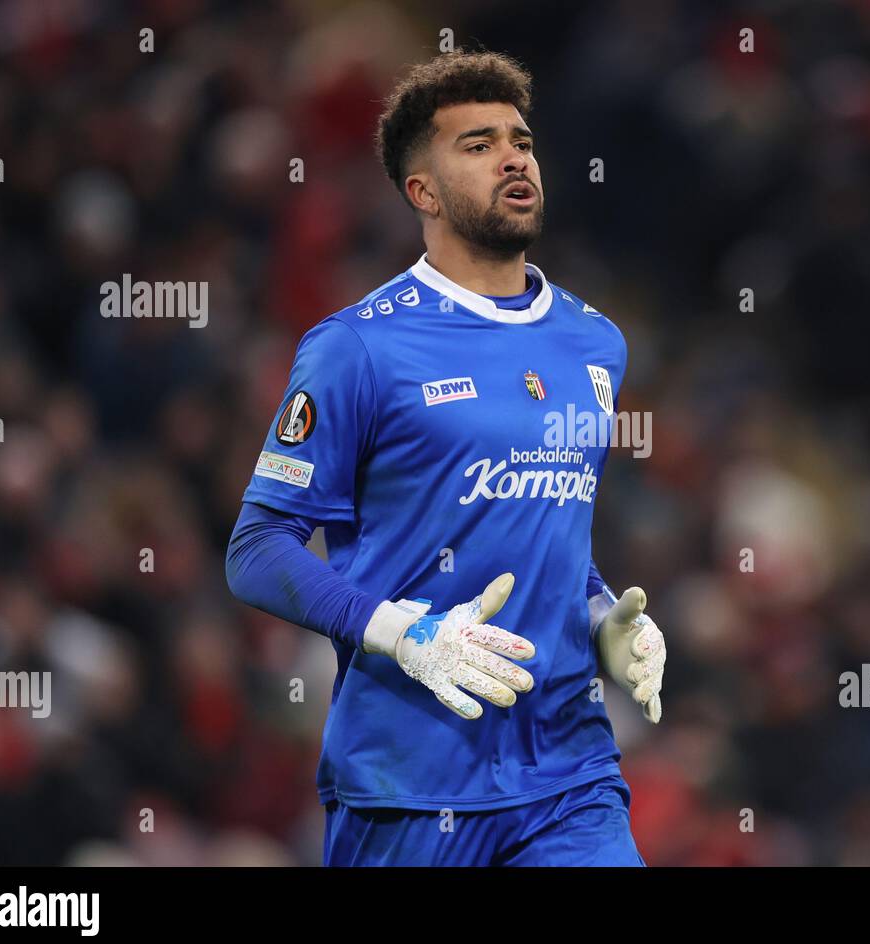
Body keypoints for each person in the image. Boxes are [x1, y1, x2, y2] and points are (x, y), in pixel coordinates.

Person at [225, 49, 665, 866]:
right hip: (408, 781)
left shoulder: (596, 343)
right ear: (422, 192)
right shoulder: (357, 348)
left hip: (569, 774)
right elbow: (255, 551)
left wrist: (601, 620)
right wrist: (400, 631)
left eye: (521, 140)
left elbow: (544, 524)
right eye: (477, 145)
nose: (513, 157)